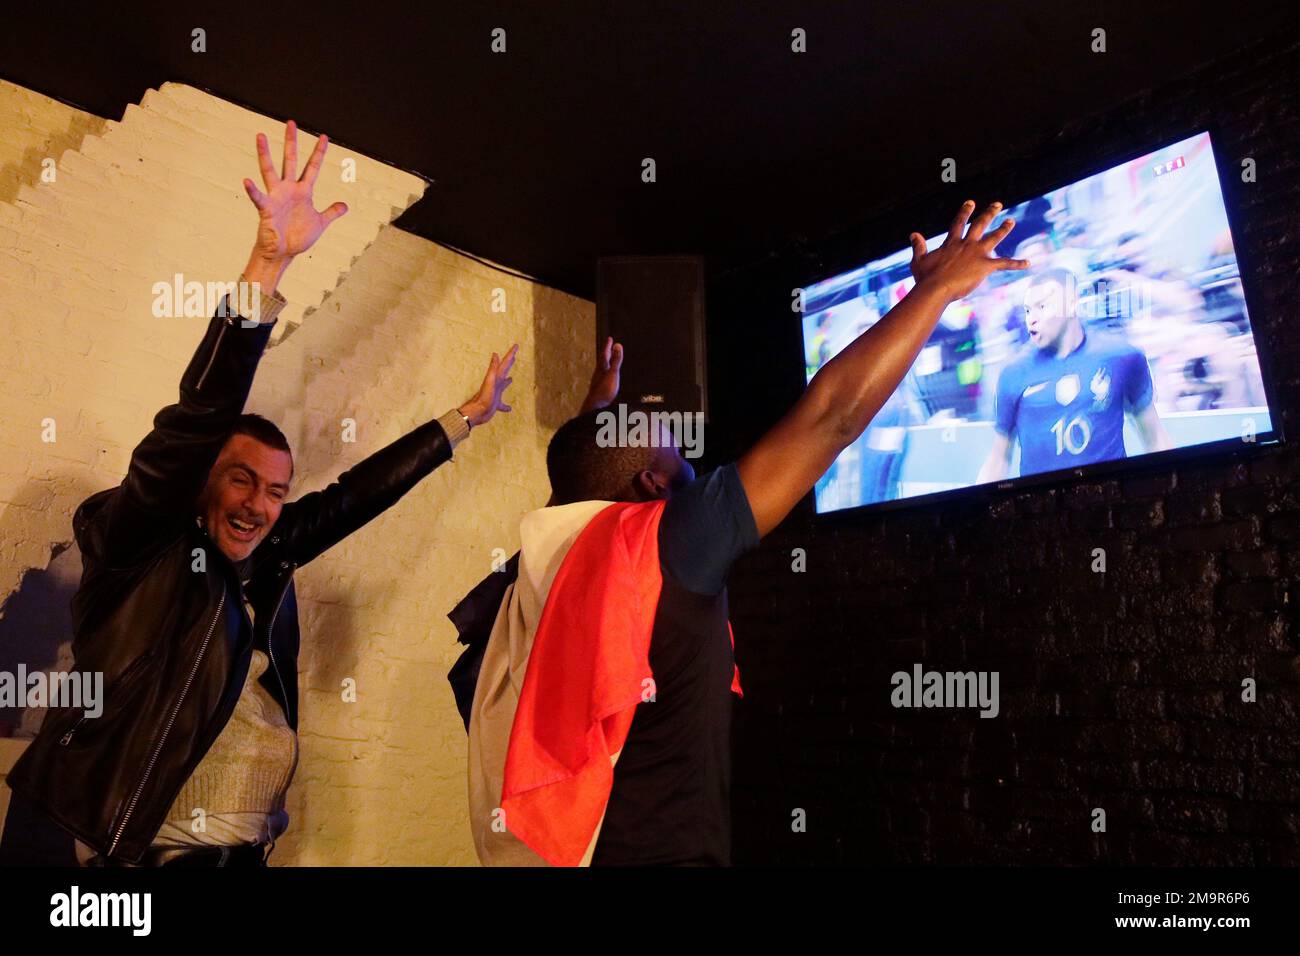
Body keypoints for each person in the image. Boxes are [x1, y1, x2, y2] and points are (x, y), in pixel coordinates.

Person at [4, 121, 516, 867]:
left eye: (275, 490)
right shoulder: (138, 545)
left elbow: (354, 497)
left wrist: (463, 419)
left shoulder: (264, 556)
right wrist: (266, 266)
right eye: (240, 479)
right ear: (199, 482)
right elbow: (194, 422)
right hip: (104, 855)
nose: (257, 504)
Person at [456, 200, 1028, 866]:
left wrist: (598, 417)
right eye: (677, 451)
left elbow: (574, 493)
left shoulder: (535, 572)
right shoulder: (665, 543)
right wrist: (935, 289)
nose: (690, 460)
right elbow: (831, 419)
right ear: (652, 490)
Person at [977, 266, 1170, 484]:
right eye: (1028, 310)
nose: (1031, 319)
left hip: (1111, 501)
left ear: (1072, 304)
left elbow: (1154, 438)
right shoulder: (1012, 374)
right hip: (1043, 509)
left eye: (1042, 306)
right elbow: (999, 457)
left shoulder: (1122, 356)